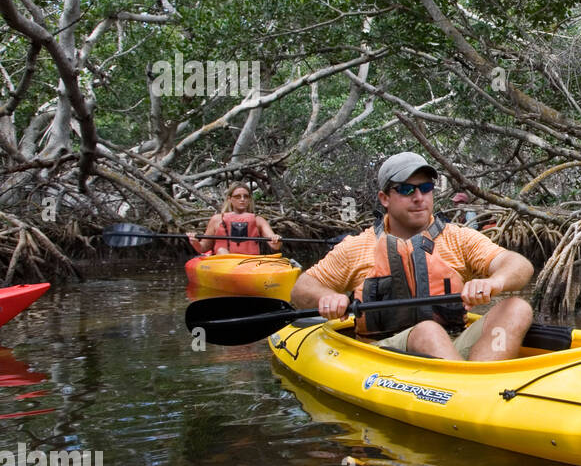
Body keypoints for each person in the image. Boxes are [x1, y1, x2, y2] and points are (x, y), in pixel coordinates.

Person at [290, 152, 534, 361]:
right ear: (384, 198)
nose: (419, 197)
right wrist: (327, 297)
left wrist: (494, 282)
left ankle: (481, 384)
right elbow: (301, 289)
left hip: (449, 345)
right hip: (381, 353)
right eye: (406, 189)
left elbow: (518, 265)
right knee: (428, 331)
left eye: (426, 188)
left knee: (517, 307)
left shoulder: (458, 238)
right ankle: (466, 385)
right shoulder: (357, 247)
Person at [188, 183, 281, 255]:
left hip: (249, 263)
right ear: (230, 199)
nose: (242, 199)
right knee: (221, 251)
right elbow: (203, 248)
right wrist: (194, 242)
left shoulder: (258, 220)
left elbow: (275, 245)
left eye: (246, 196)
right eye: (237, 196)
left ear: (249, 199)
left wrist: (276, 239)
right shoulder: (216, 220)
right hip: (223, 262)